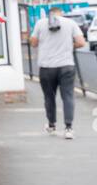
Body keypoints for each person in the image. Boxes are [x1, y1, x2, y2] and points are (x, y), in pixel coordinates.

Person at [28, 10, 85, 139]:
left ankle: (52, 125)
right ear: (61, 13)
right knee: (68, 97)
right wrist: (69, 46)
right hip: (66, 66)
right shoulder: (70, 23)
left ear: (50, 14)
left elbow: (33, 43)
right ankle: (69, 128)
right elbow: (81, 42)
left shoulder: (40, 23)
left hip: (47, 67)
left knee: (49, 97)